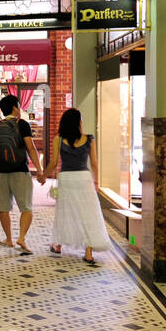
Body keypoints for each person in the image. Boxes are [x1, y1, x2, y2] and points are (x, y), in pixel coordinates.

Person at [43, 108, 110, 265]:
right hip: (83, 178)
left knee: (64, 211)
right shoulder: (89, 139)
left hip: (66, 178)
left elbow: (53, 163)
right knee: (88, 214)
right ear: (79, 122)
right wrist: (97, 182)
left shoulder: (58, 139)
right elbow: (94, 163)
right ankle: (88, 253)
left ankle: (58, 245)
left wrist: (43, 176)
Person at [0, 93, 45, 254]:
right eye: (19, 106)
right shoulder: (22, 124)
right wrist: (40, 170)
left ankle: (8, 238)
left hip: (1, 172)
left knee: (3, 207)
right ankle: (21, 237)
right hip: (20, 171)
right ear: (15, 108)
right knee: (26, 208)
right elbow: (31, 148)